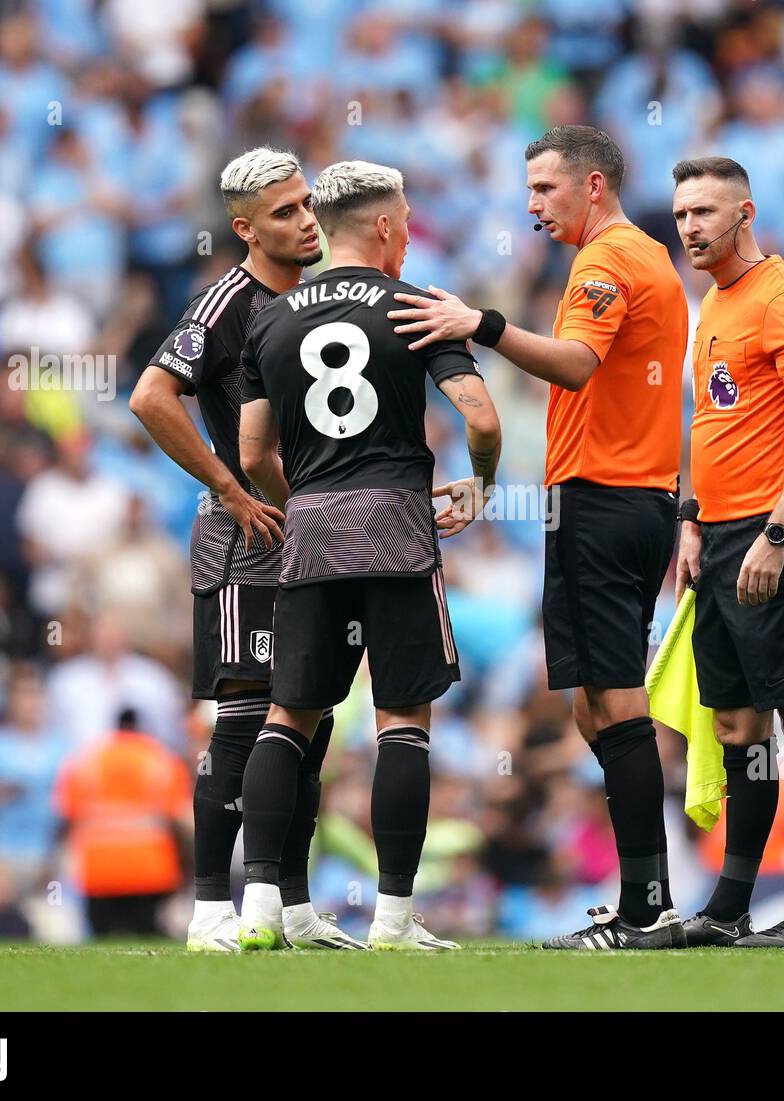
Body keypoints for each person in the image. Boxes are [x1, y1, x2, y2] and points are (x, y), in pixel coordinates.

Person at [387, 126, 688, 949]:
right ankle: (643, 898)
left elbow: (578, 364)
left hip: (605, 500)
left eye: (545, 189)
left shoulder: (607, 259)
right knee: (595, 708)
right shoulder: (645, 258)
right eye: (527, 190)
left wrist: (477, 322)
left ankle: (649, 906)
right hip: (622, 497)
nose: (531, 205)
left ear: (593, 185)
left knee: (614, 704)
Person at [235, 159, 501, 951]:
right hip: (394, 524)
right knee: (401, 722)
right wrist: (482, 482)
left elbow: (252, 455)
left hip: (310, 524)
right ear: (384, 226)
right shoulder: (414, 305)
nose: (411, 235)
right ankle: (392, 919)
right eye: (408, 222)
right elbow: (481, 417)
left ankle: (257, 908)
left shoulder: (272, 320)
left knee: (288, 717)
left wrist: (306, 505)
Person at [128, 147, 364, 951]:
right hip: (248, 540)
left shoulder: (323, 298)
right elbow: (151, 396)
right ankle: (206, 910)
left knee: (309, 718)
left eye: (306, 205)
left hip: (313, 537)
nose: (306, 222)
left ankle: (292, 904)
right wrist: (233, 489)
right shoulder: (226, 301)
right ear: (243, 229)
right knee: (243, 721)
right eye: (285, 213)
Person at [671, 156, 784, 948]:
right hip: (716, 538)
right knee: (738, 724)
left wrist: (777, 532)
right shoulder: (713, 300)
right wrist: (690, 519)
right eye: (681, 214)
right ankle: (730, 905)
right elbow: (714, 426)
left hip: (777, 537)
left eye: (705, 212)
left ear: (746, 212)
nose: (690, 228)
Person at [53, 709, 192, 938]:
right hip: (150, 868)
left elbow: (67, 812)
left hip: (99, 868)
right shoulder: (161, 759)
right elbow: (179, 816)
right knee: (149, 935)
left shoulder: (87, 760)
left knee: (102, 937)